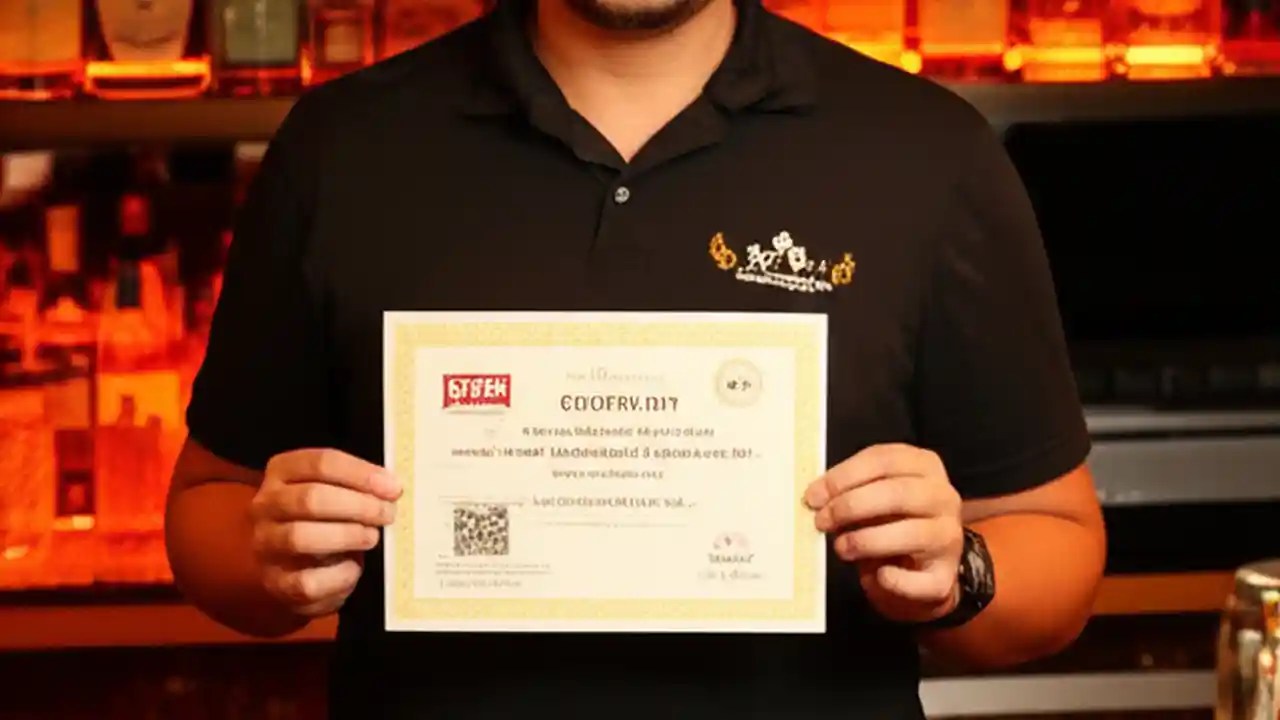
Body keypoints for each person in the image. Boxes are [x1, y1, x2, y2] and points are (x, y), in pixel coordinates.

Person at [164, 0, 1107, 715]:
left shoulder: (925, 154)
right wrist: (269, 559)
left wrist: (959, 574)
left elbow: (1059, 549)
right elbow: (207, 512)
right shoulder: (344, 149)